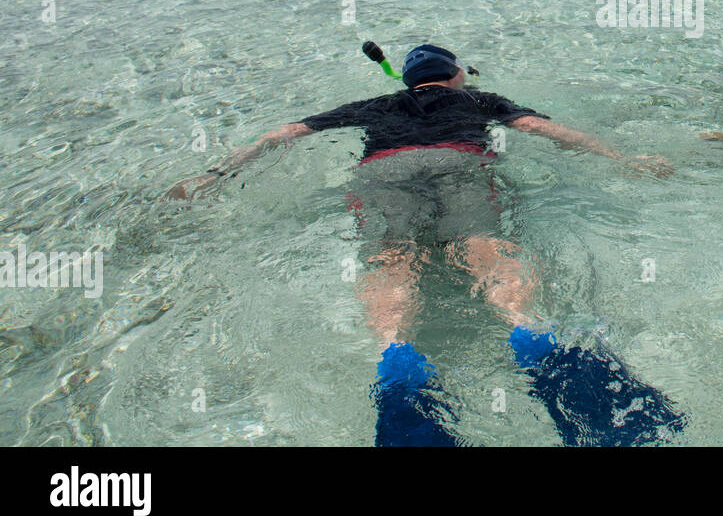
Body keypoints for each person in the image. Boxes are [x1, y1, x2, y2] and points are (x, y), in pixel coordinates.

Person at [166, 44, 684, 446]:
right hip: (459, 162)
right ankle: (527, 331)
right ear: (454, 74)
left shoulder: (375, 103)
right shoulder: (476, 98)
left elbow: (283, 134)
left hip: (382, 171)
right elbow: (540, 128)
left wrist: (210, 176)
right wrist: (623, 158)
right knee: (481, 242)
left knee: (393, 257)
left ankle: (395, 357)